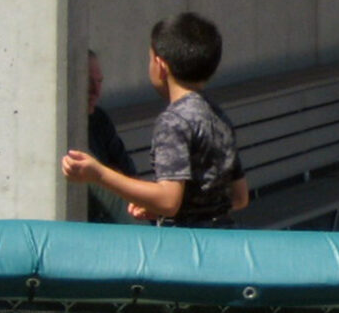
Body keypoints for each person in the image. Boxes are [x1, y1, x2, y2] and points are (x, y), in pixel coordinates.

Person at [62, 14, 249, 227]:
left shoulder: (174, 122)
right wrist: (161, 208)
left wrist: (98, 174)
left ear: (160, 66)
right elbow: (240, 197)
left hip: (184, 248)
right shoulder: (218, 116)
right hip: (221, 240)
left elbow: (169, 201)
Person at [82, 50, 136, 223]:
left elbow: (129, 176)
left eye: (99, 82)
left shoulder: (100, 120)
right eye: (88, 81)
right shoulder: (58, 130)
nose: (95, 90)